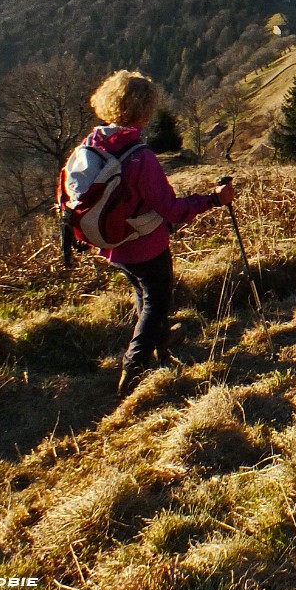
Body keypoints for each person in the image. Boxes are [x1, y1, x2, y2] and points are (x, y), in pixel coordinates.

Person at [83, 70, 234, 397]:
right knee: (156, 300)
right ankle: (134, 365)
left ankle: (161, 339)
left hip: (112, 244)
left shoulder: (94, 144)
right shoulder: (140, 156)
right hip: (144, 244)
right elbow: (173, 210)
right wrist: (213, 200)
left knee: (145, 293)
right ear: (143, 109)